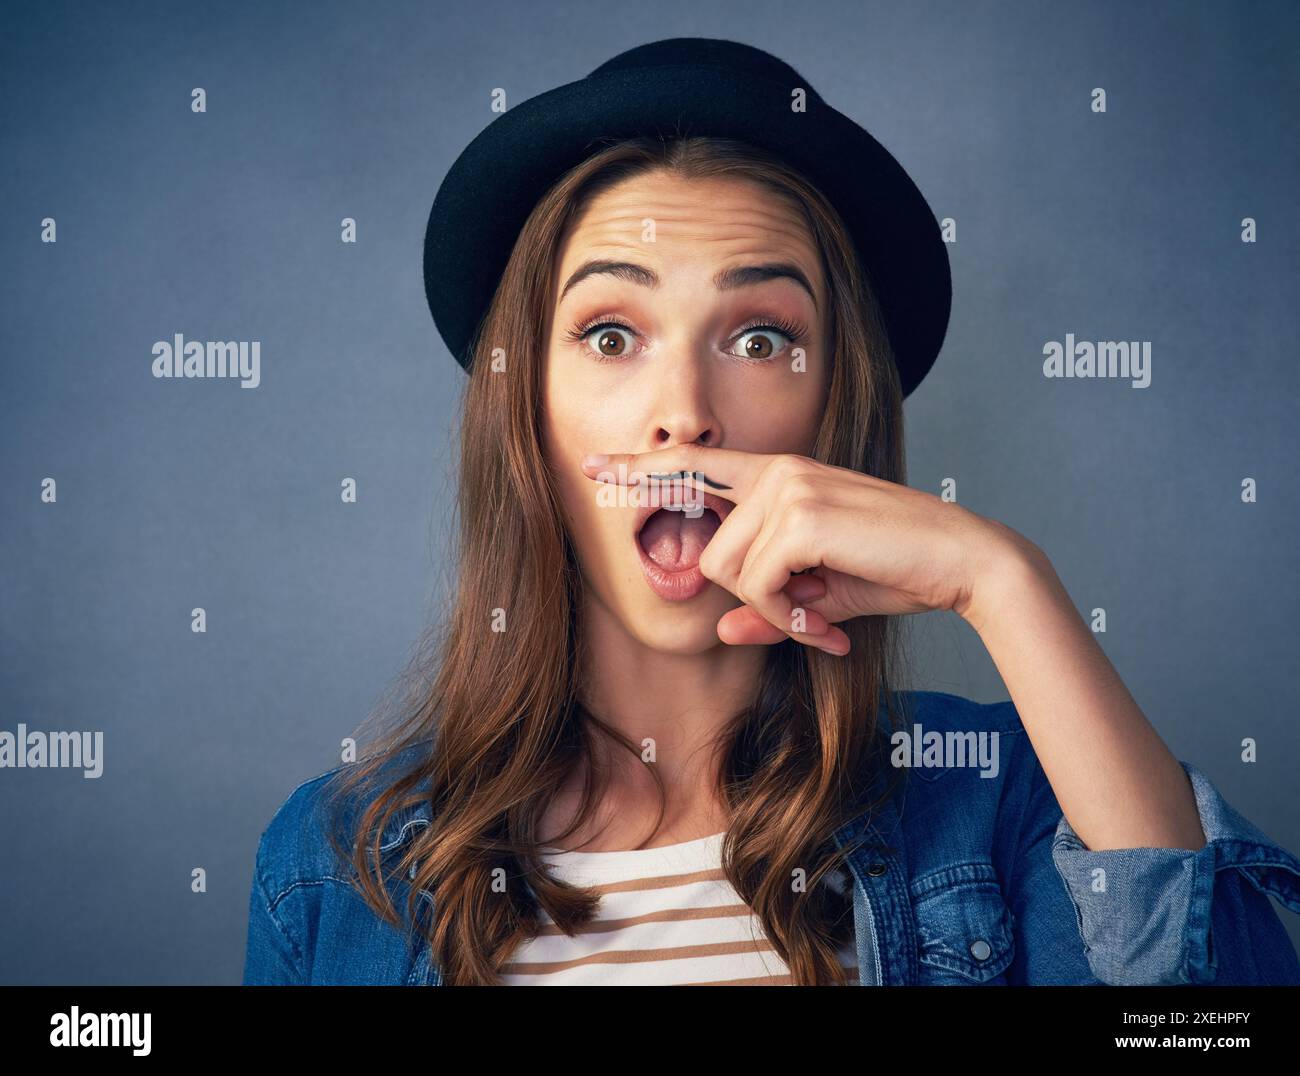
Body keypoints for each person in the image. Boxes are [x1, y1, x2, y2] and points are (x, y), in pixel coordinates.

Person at [242, 37, 1300, 986]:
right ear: (525, 410)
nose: (685, 415)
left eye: (759, 339)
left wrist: (1003, 582)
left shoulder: (1004, 797)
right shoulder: (333, 863)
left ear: (834, 411)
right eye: (611, 333)